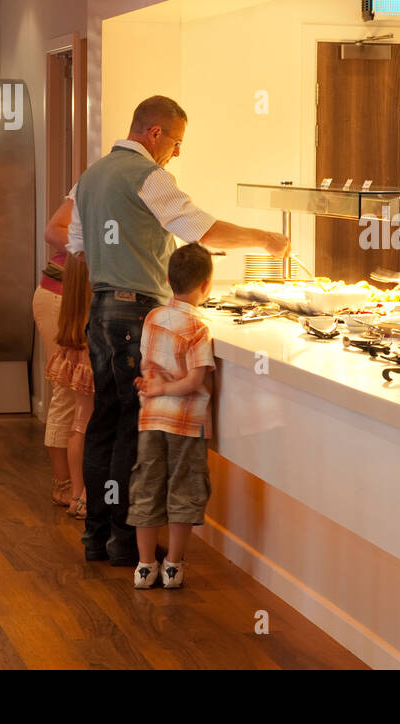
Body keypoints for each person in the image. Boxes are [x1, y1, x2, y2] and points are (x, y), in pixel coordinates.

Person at [66, 94, 287, 567]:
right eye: (177, 141)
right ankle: (125, 542)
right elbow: (200, 230)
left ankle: (96, 536)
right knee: (132, 427)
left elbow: (78, 247)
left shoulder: (91, 176)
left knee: (104, 421)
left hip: (100, 310)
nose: (178, 152)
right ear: (155, 133)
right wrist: (265, 239)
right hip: (134, 314)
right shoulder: (149, 176)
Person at [129, 242, 215, 590]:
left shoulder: (152, 317)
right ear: (206, 285)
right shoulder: (199, 328)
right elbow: (194, 381)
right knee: (184, 490)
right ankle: (173, 567)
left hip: (151, 419)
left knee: (146, 487)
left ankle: (145, 565)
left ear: (167, 279)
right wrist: (167, 386)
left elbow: (148, 364)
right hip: (186, 424)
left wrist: (157, 386)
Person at [44, 254, 93, 519]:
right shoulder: (95, 310)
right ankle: (86, 495)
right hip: (91, 361)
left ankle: (74, 494)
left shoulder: (72, 307)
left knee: (78, 425)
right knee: (93, 428)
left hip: (75, 353)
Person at [33, 195, 74, 506]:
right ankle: (64, 486)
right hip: (62, 295)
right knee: (67, 389)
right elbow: (53, 232)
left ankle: (75, 485)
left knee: (74, 391)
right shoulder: (91, 185)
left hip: (66, 296)